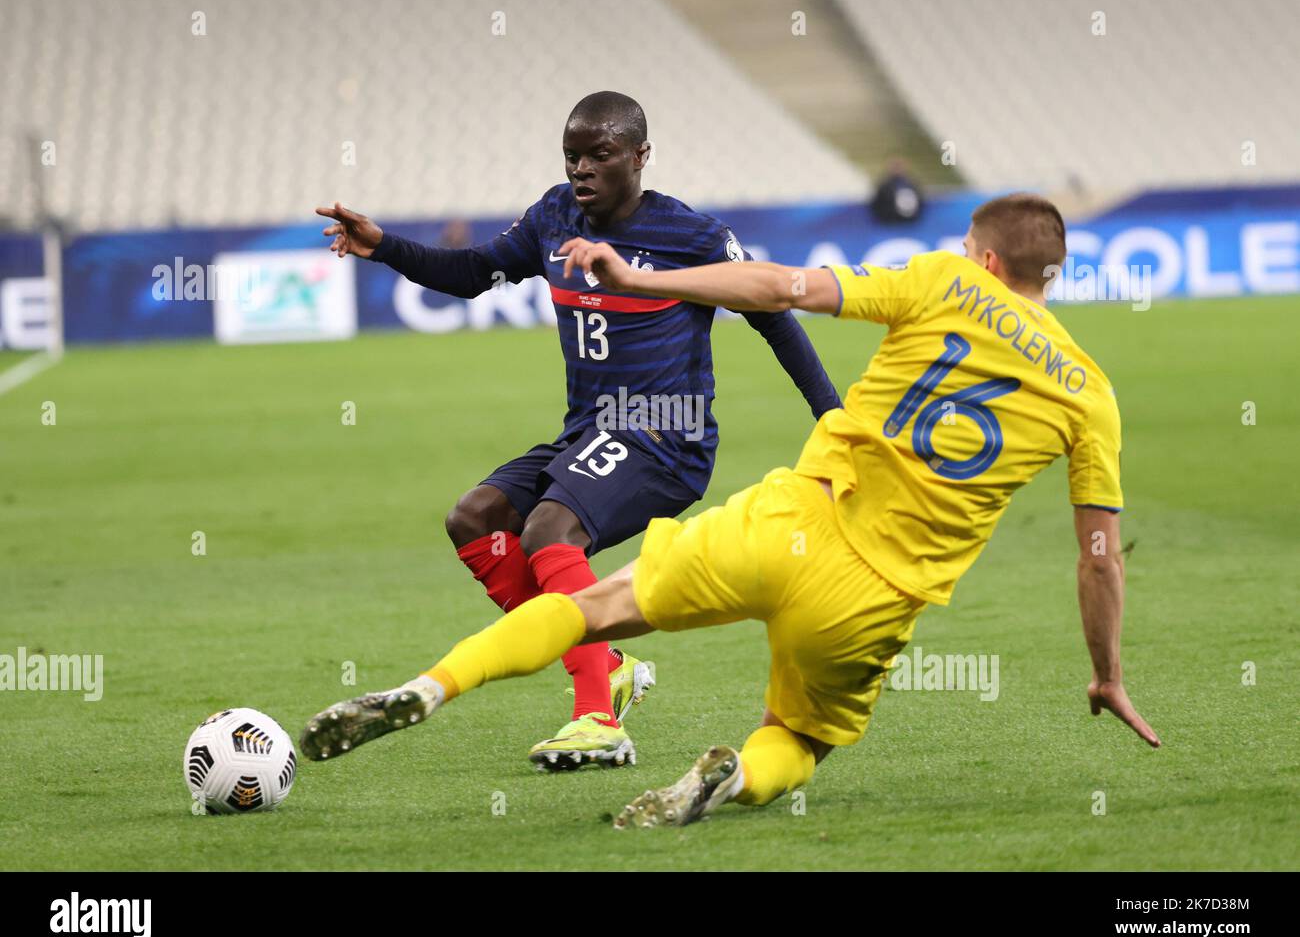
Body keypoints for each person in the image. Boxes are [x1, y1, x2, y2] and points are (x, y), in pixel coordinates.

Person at [301, 193, 1160, 828]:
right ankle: (729, 778)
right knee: (800, 736)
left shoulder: (940, 282)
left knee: (590, 606)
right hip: (875, 602)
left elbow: (783, 288)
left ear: (983, 260)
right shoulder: (1093, 397)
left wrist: (640, 276)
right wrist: (1109, 673)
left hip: (790, 521)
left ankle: (430, 684)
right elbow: (1098, 556)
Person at [314, 91, 840, 770]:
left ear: (640, 156)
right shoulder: (553, 216)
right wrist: (383, 245)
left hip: (664, 436)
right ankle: (606, 663)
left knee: (548, 529)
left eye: (600, 155)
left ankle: (596, 717)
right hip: (588, 433)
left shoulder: (692, 236)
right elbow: (477, 272)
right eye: (572, 157)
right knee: (476, 519)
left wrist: (833, 417)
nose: (582, 170)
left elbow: (776, 320)